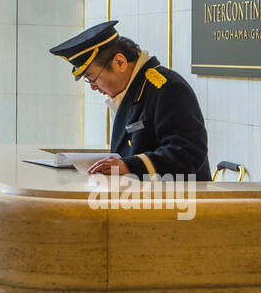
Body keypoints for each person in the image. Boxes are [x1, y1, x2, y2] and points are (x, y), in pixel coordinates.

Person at [49, 21, 212, 180]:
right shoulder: (134, 89)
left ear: (120, 62)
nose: (93, 87)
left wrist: (129, 166)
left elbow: (188, 153)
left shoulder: (167, 88)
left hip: (179, 201)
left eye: (93, 78)